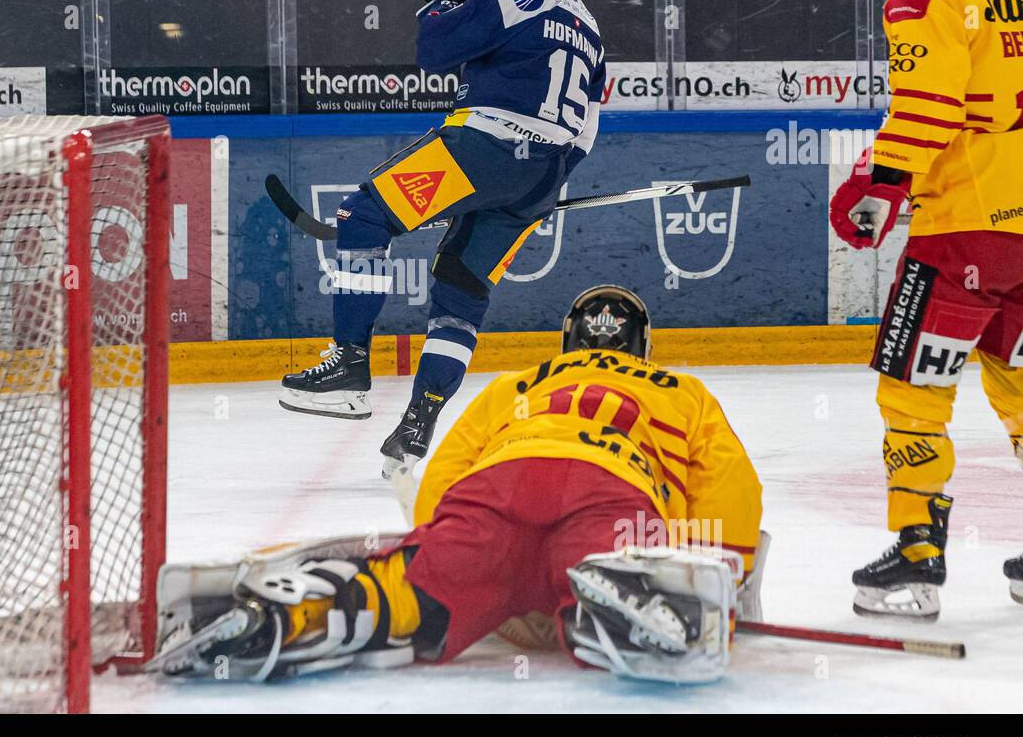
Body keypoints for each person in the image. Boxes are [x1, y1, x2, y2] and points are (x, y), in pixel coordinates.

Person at [158, 286, 767, 684]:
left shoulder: (518, 383)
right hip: (611, 485)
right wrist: (721, 568)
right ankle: (637, 595)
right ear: (643, 346)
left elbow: (448, 470)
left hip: (498, 486)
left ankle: (306, 606)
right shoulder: (681, 390)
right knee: (610, 559)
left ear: (567, 338)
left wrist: (437, 533)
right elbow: (727, 482)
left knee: (419, 589)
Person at [279, 0, 606, 478]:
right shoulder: (588, 24)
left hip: (485, 147)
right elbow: (585, 126)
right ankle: (417, 424)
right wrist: (536, 187)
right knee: (460, 294)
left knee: (363, 217)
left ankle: (349, 368)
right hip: (542, 175)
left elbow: (433, 50)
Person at [829, 0, 1023, 618]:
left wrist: (879, 186)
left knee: (913, 390)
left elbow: (931, 109)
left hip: (959, 238)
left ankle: (916, 556)